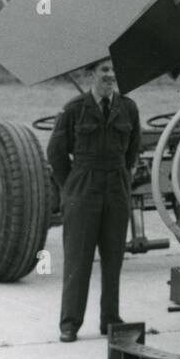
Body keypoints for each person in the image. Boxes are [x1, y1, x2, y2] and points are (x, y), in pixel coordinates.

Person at [47, 56, 141, 342]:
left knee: (114, 259)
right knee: (78, 259)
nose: (110, 75)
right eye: (104, 70)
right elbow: (55, 153)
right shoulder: (74, 109)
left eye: (114, 69)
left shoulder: (128, 108)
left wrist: (122, 177)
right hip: (83, 189)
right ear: (91, 75)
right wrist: (72, 186)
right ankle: (70, 323)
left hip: (116, 187)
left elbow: (133, 149)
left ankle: (109, 320)